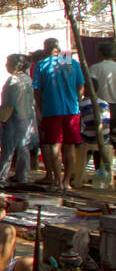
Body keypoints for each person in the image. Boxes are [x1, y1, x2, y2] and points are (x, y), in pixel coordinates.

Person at [33, 38, 85, 191]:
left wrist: (41, 110)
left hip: (52, 110)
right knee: (69, 146)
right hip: (71, 110)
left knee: (55, 146)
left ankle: (57, 180)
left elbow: (37, 91)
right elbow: (81, 86)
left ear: (45, 49)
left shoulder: (41, 65)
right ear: (59, 48)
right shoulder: (71, 62)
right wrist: (76, 98)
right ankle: (66, 181)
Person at [0, 55, 35, 186]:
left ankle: (1, 177)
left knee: (8, 149)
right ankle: (22, 176)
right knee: (23, 148)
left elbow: (8, 103)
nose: (6, 65)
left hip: (13, 118)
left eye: (8, 63)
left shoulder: (13, 81)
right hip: (27, 118)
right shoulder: (28, 80)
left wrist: (3, 119)